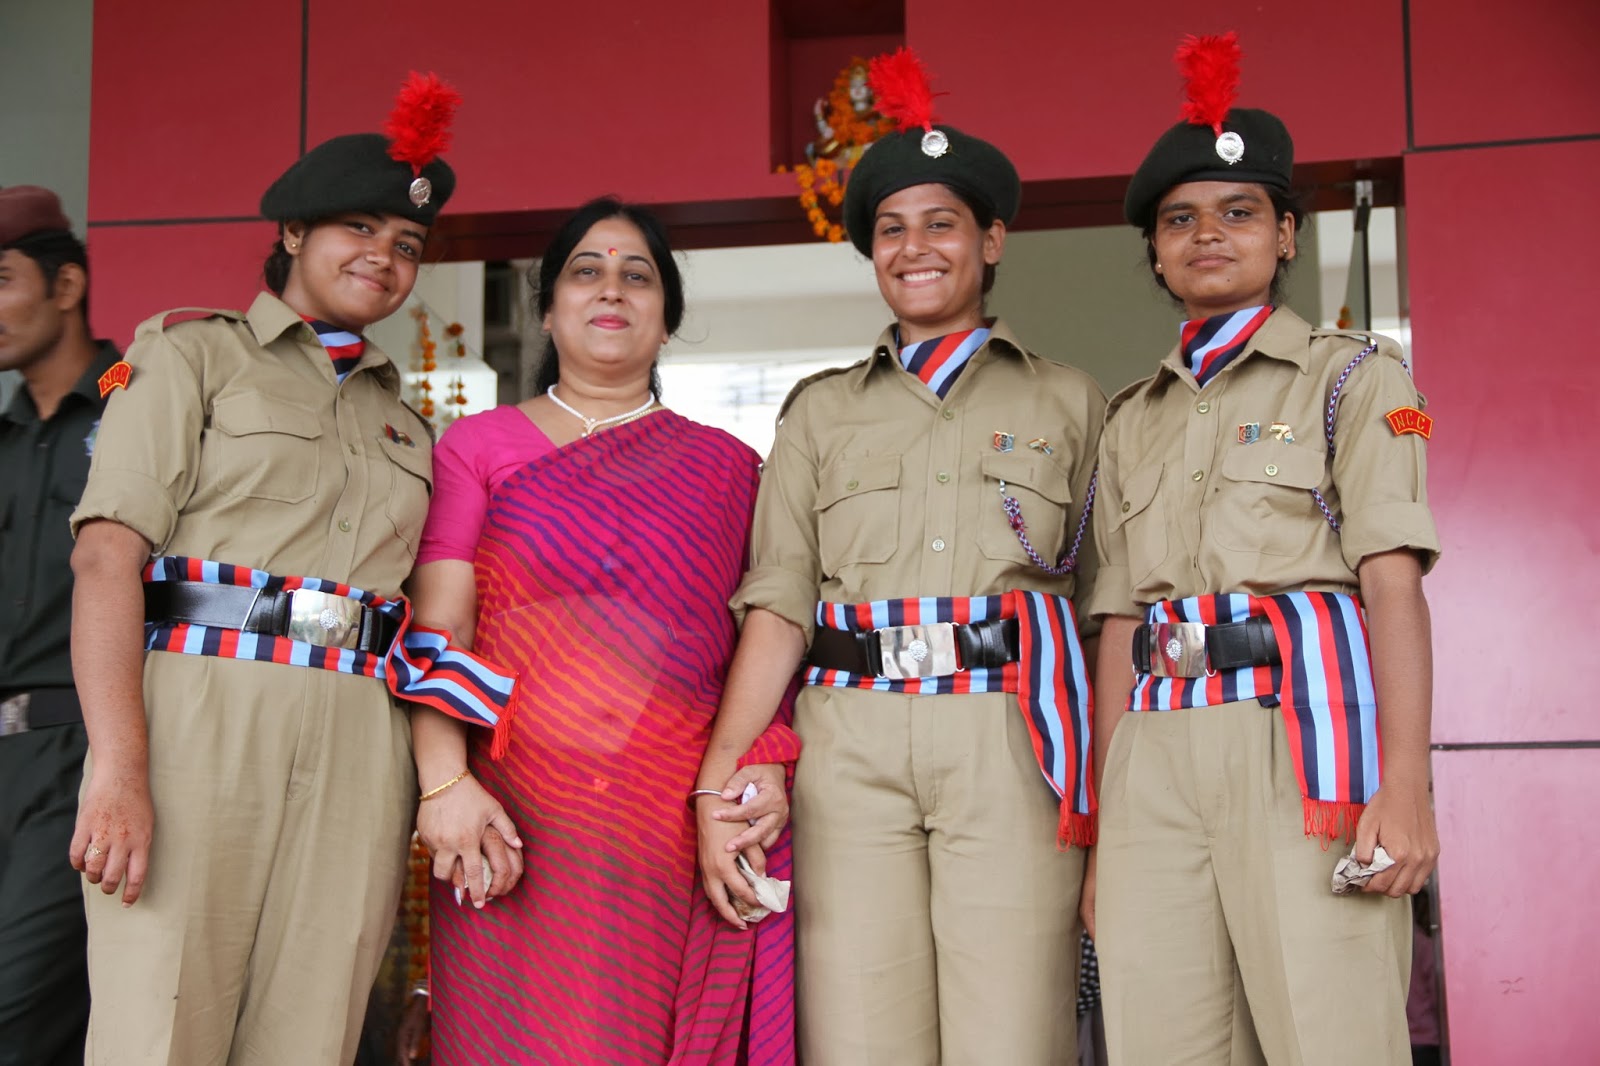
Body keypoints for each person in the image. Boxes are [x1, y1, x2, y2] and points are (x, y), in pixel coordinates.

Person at [65, 74, 503, 1066]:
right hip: (197, 721)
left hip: (357, 734)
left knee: (310, 1030)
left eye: (407, 246)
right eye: (359, 228)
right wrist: (120, 769)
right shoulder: (192, 359)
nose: (383, 259)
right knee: (159, 1022)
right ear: (296, 234)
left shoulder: (410, 423)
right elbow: (105, 559)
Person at [698, 48, 1106, 1064]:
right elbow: (779, 604)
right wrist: (718, 775)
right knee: (857, 1037)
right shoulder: (819, 412)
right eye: (890, 229)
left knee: (1014, 1034)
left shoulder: (1069, 401)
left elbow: (1110, 608)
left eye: (941, 223)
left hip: (1011, 739)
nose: (914, 247)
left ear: (992, 239)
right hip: (851, 750)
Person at [1084, 32, 1440, 1065]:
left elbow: (1389, 581)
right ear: (1153, 251)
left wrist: (1406, 784)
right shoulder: (1127, 419)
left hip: (1300, 743)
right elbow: (1117, 626)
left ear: (1285, 234)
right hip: (1155, 750)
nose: (1207, 235)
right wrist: (1110, 823)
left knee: (1327, 1035)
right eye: (1178, 219)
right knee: (1162, 1043)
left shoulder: (1356, 378)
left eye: (1238, 212)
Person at [408, 196, 799, 1065]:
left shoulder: (728, 467)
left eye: (637, 276)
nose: (610, 291)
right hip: (509, 822)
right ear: (548, 309)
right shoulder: (477, 447)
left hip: (670, 824)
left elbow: (761, 643)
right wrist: (445, 789)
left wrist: (759, 759)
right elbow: (441, 631)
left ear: (669, 317)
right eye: (585, 272)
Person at [0, 185, 109, 1066]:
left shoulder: (137, 400)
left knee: (18, 1003)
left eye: (1, 279)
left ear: (65, 285)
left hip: (84, 753)